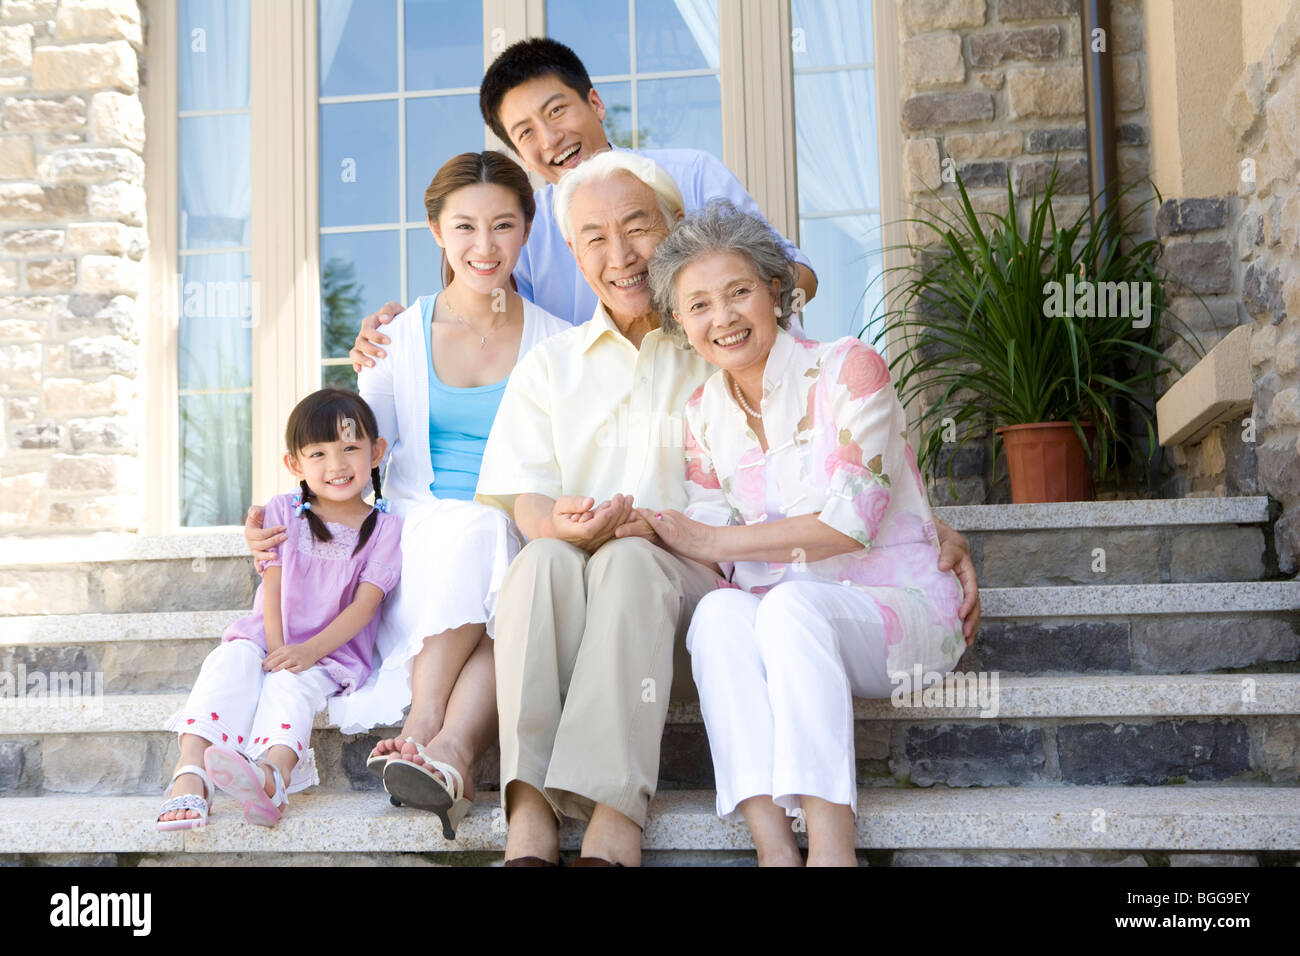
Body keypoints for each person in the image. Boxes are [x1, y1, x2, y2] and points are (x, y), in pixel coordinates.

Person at [475, 152, 979, 867]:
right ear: (572, 253)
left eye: (637, 227)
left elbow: (849, 493)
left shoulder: (777, 356)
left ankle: (641, 828)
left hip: (754, 597)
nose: (620, 255)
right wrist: (577, 525)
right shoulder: (616, 381)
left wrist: (934, 530)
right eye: (595, 238)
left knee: (651, 567)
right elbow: (540, 500)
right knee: (557, 568)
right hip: (719, 602)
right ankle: (537, 823)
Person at [246, 152, 569, 839]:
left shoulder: (558, 343)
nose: (484, 246)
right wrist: (284, 519)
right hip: (421, 534)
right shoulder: (394, 339)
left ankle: (443, 751)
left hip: (519, 530)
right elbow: (354, 462)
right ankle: (433, 733)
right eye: (465, 227)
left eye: (503, 225)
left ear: (527, 228)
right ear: (436, 231)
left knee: (506, 562)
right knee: (481, 537)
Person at [643, 201, 971, 866]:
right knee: (717, 617)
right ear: (680, 323)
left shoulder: (851, 369)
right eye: (699, 305)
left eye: (739, 292)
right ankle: (775, 850)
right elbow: (712, 541)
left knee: (790, 607)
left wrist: (711, 543)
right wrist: (646, 530)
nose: (723, 317)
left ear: (776, 291)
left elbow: (851, 523)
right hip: (783, 624)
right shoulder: (701, 414)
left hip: (898, 612)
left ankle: (830, 852)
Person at [347, 36, 817, 372]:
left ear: (595, 102)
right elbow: (484, 319)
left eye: (557, 111)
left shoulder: (692, 173)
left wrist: (723, 318)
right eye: (526, 132)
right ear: (519, 154)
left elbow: (800, 277)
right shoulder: (526, 230)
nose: (550, 138)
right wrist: (404, 332)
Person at [158, 389, 401, 830]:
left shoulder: (384, 528)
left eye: (350, 448)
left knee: (290, 686)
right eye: (318, 453)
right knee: (230, 660)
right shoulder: (282, 511)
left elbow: (365, 605)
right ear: (295, 464)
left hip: (330, 651)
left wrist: (306, 653)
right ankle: (191, 769)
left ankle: (272, 777)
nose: (336, 464)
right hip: (267, 635)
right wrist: (276, 648)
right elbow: (272, 586)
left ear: (376, 452)